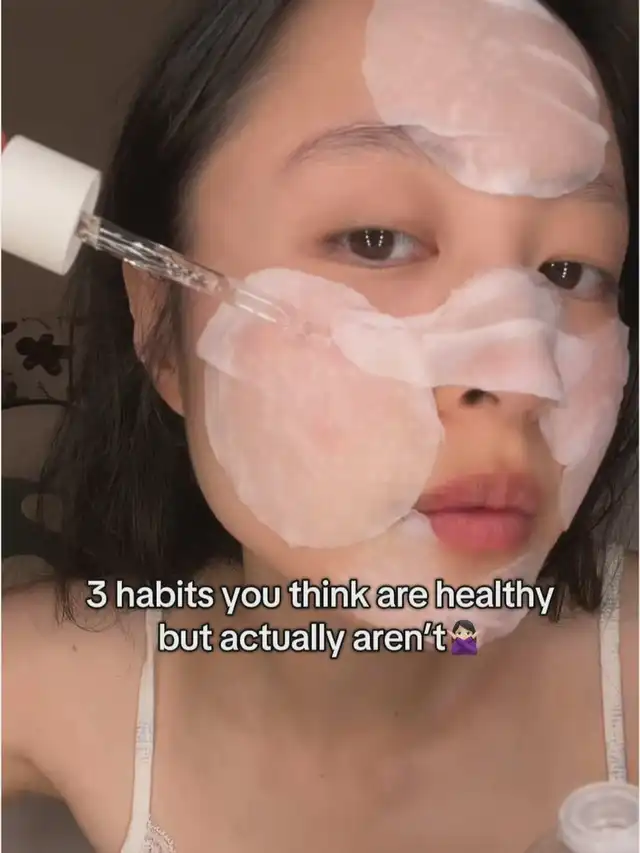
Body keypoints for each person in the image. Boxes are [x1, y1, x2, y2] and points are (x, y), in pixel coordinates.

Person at [2, 1, 638, 851]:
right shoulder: (43, 685)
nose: (527, 375)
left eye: (570, 269)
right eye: (376, 239)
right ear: (161, 330)